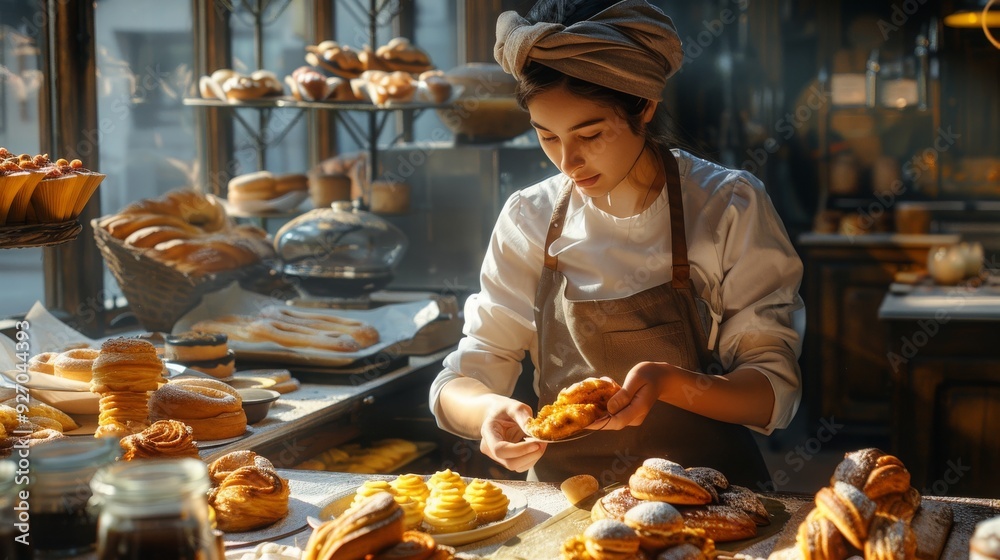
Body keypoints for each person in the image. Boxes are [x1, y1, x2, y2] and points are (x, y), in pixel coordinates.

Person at [429, 0, 804, 487]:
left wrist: (670, 384)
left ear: (645, 105)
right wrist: (487, 411)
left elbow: (771, 392)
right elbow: (461, 379)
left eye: (590, 134)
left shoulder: (727, 204)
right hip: (565, 503)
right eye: (547, 136)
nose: (568, 161)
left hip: (709, 497)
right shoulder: (530, 217)